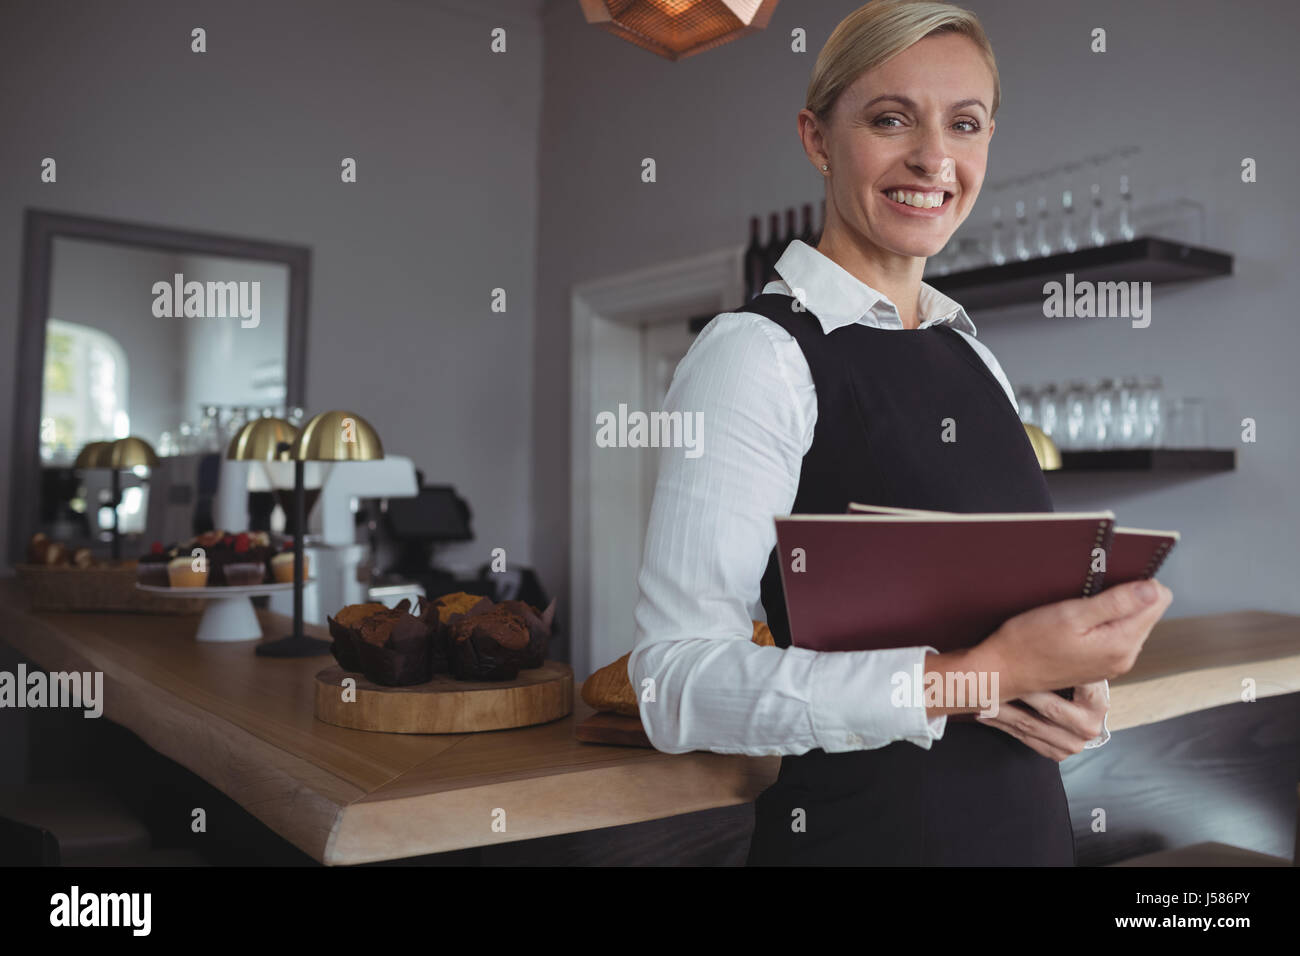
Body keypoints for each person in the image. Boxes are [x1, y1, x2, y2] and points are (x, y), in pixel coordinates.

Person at [627, 0, 1173, 865]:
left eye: (966, 123)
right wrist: (976, 676)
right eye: (890, 119)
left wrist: (1072, 693)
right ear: (817, 138)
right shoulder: (758, 354)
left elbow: (1000, 631)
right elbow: (672, 682)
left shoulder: (975, 362)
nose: (933, 158)